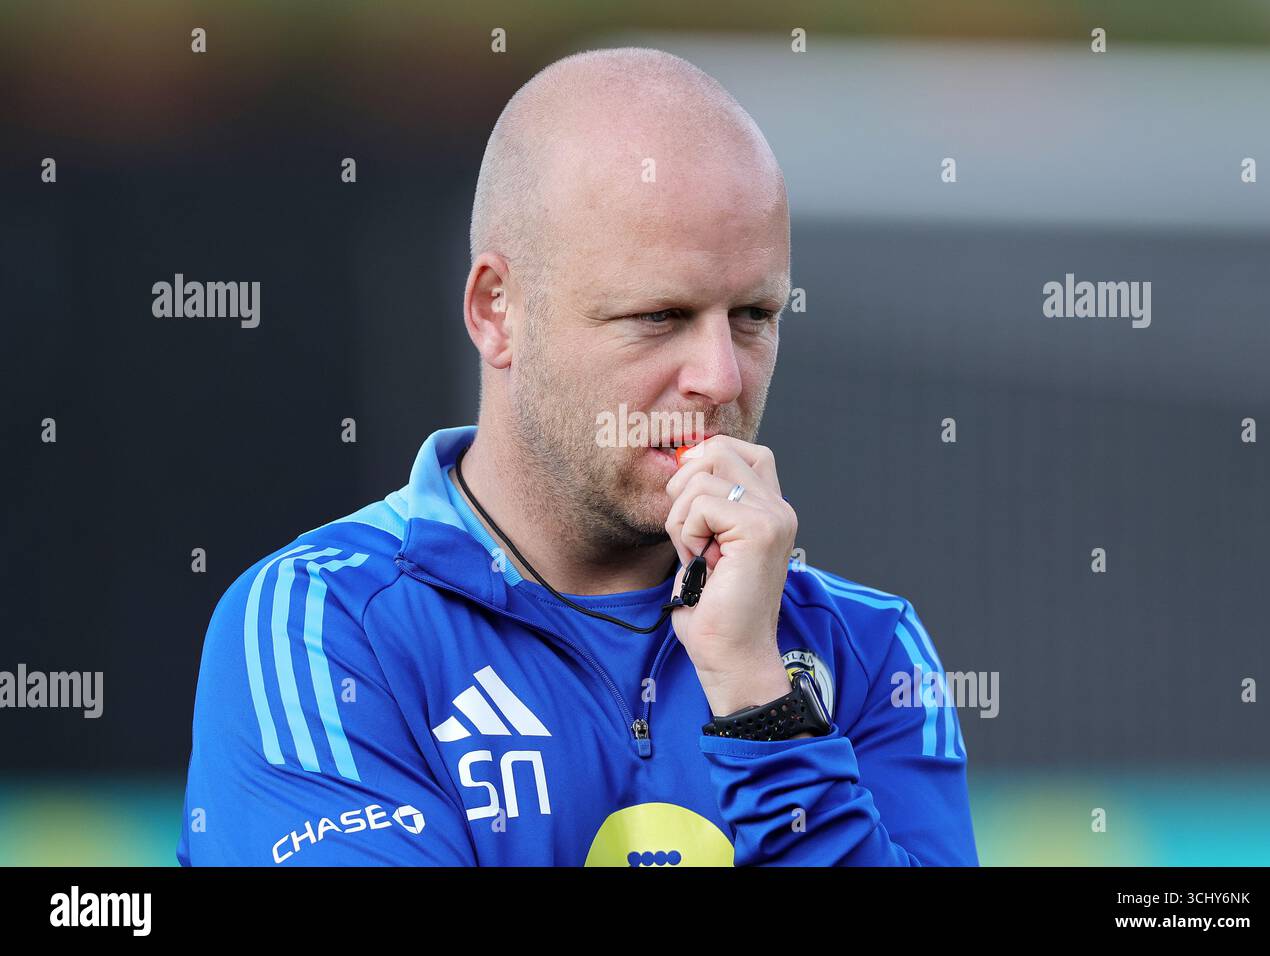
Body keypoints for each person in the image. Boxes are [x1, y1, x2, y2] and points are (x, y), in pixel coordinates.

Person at [178, 46, 978, 866]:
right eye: (659, 315)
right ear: (498, 310)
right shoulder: (323, 623)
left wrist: (757, 702)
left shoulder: (868, 645)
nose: (720, 376)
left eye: (753, 315)